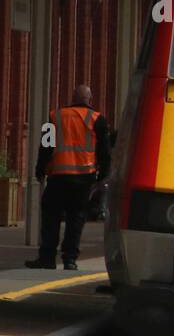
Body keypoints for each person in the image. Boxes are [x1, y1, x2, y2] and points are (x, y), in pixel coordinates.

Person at [25, 85, 112, 271]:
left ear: (73, 98)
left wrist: (39, 170)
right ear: (90, 99)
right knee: (76, 218)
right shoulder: (98, 120)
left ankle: (47, 258)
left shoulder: (54, 117)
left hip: (58, 177)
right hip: (84, 178)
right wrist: (103, 177)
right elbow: (104, 152)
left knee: (50, 216)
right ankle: (70, 259)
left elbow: (45, 147)